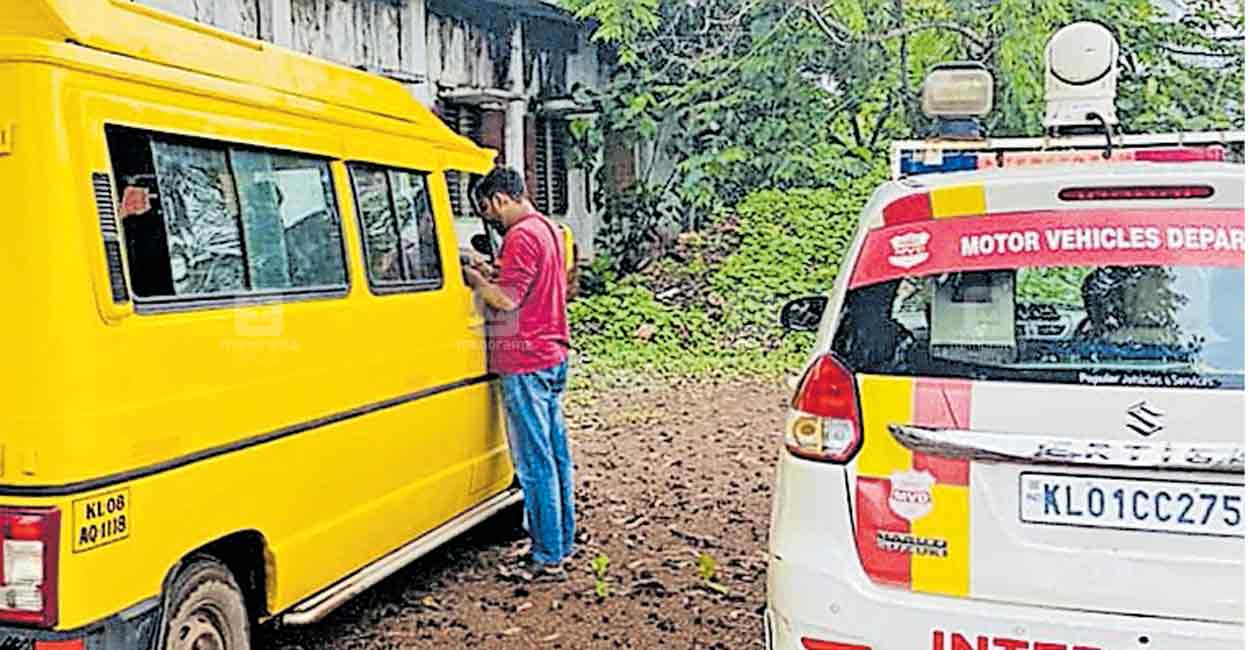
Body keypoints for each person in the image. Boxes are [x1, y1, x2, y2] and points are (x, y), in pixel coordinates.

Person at [462, 167, 575, 582]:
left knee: (534, 463)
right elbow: (524, 284)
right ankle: (561, 542)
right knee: (557, 457)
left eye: (487, 208)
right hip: (551, 353)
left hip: (526, 359)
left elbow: (506, 300)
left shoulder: (521, 235)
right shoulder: (545, 229)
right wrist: (493, 271)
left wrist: (475, 280)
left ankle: (547, 557)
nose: (489, 217)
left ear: (502, 198)